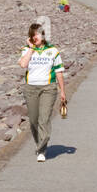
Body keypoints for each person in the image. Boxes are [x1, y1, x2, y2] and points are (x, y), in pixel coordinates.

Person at [17, 22, 67, 162]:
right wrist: (31, 49)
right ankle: (39, 143)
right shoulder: (26, 50)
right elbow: (22, 64)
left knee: (44, 119)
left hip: (48, 88)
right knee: (33, 120)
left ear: (43, 35)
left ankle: (42, 149)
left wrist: (62, 91)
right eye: (32, 35)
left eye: (37, 34)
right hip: (30, 88)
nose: (35, 37)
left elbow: (59, 72)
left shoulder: (53, 51)